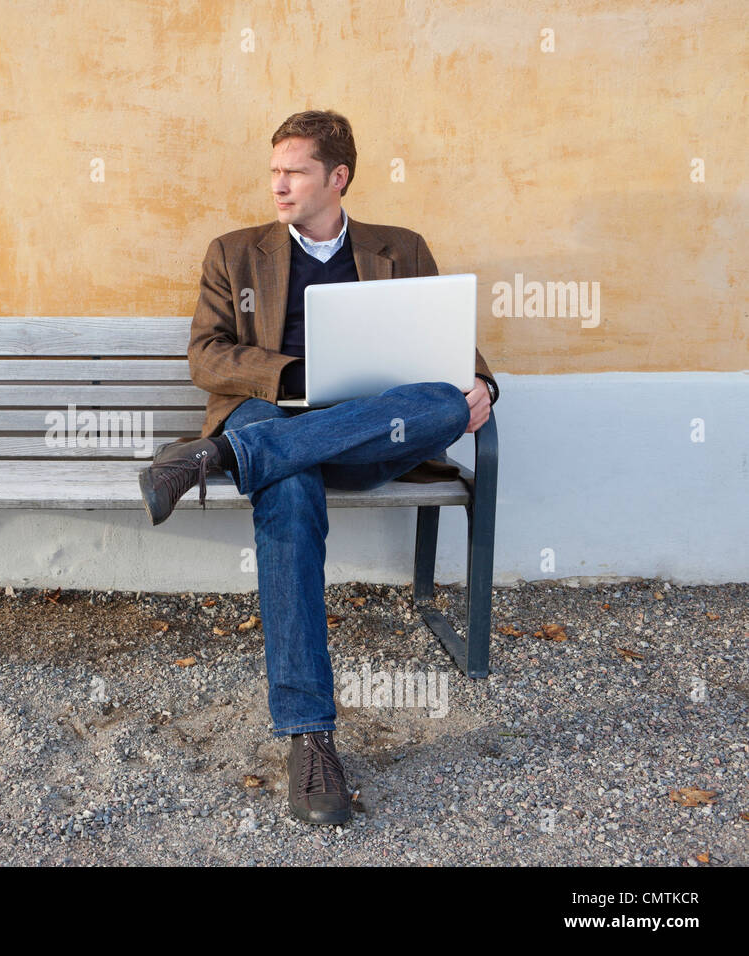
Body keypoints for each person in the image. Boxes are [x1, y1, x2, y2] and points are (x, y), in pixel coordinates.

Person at [136, 110, 499, 825]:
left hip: (369, 437)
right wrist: (294, 371)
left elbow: (453, 349)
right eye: (274, 170)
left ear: (338, 177)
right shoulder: (235, 254)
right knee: (291, 488)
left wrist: (482, 386)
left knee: (449, 405)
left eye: (295, 171)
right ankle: (311, 737)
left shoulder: (402, 248)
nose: (279, 184)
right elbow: (206, 357)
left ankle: (222, 460)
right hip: (271, 416)